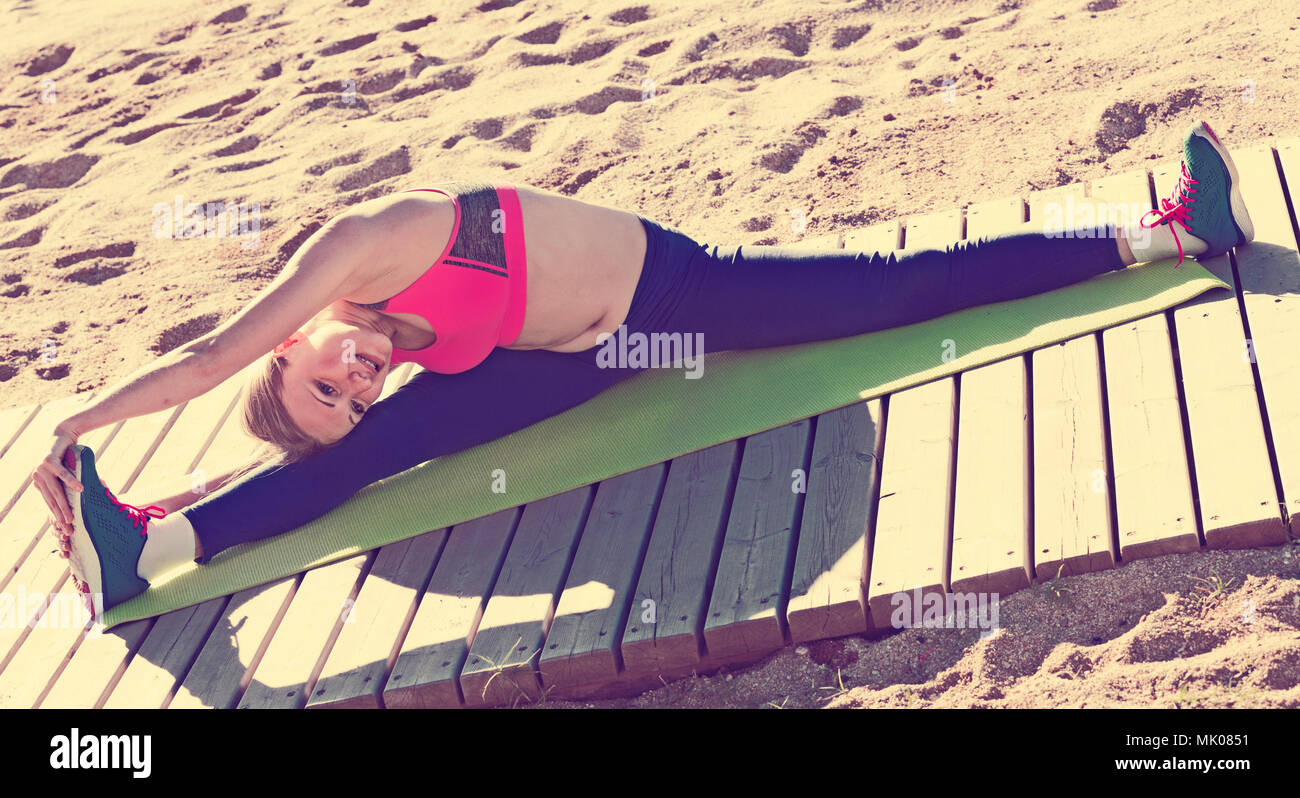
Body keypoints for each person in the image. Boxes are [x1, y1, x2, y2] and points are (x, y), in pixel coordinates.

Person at [33, 121, 1254, 620]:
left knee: (894, 290)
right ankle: (155, 549)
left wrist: (80, 422)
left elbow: (204, 359)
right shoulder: (368, 372)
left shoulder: (362, 251)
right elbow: (316, 426)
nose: (352, 379)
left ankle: (1166, 227)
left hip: (676, 290)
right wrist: (159, 495)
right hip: (581, 357)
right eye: (344, 397)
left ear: (292, 345)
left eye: (326, 378)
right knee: (386, 453)